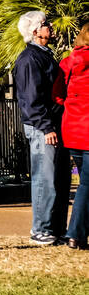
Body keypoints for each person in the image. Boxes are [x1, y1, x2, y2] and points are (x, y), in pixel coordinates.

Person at [13, 10, 70, 244]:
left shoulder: (44, 55)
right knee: (44, 178)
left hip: (52, 124)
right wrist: (46, 127)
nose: (50, 27)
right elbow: (31, 98)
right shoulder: (29, 59)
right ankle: (41, 229)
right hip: (42, 127)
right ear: (35, 32)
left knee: (58, 178)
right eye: (45, 24)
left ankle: (55, 228)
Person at [60, 24, 89, 249]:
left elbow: (57, 95)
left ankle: (79, 234)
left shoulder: (67, 63)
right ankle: (75, 234)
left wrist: (72, 105)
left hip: (71, 130)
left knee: (85, 183)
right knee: (86, 185)